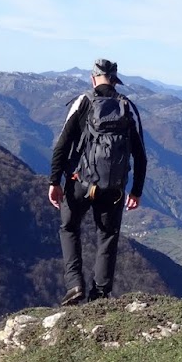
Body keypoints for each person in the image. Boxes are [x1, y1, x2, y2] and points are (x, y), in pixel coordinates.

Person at [48, 58, 147, 304]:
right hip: (113, 188)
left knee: (69, 227)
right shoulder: (126, 107)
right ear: (115, 80)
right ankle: (100, 295)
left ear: (93, 78)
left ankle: (74, 285)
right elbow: (140, 155)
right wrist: (136, 191)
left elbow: (62, 145)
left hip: (80, 181)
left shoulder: (84, 102)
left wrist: (54, 181)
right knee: (108, 236)